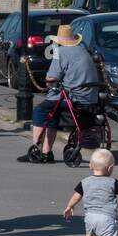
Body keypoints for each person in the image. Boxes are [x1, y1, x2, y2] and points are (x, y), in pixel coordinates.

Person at [19, 25, 101, 164]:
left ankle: (37, 148)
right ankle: (46, 152)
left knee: (40, 111)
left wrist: (46, 80)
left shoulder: (60, 51)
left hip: (73, 97)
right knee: (53, 111)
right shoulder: (83, 50)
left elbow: (52, 77)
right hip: (90, 96)